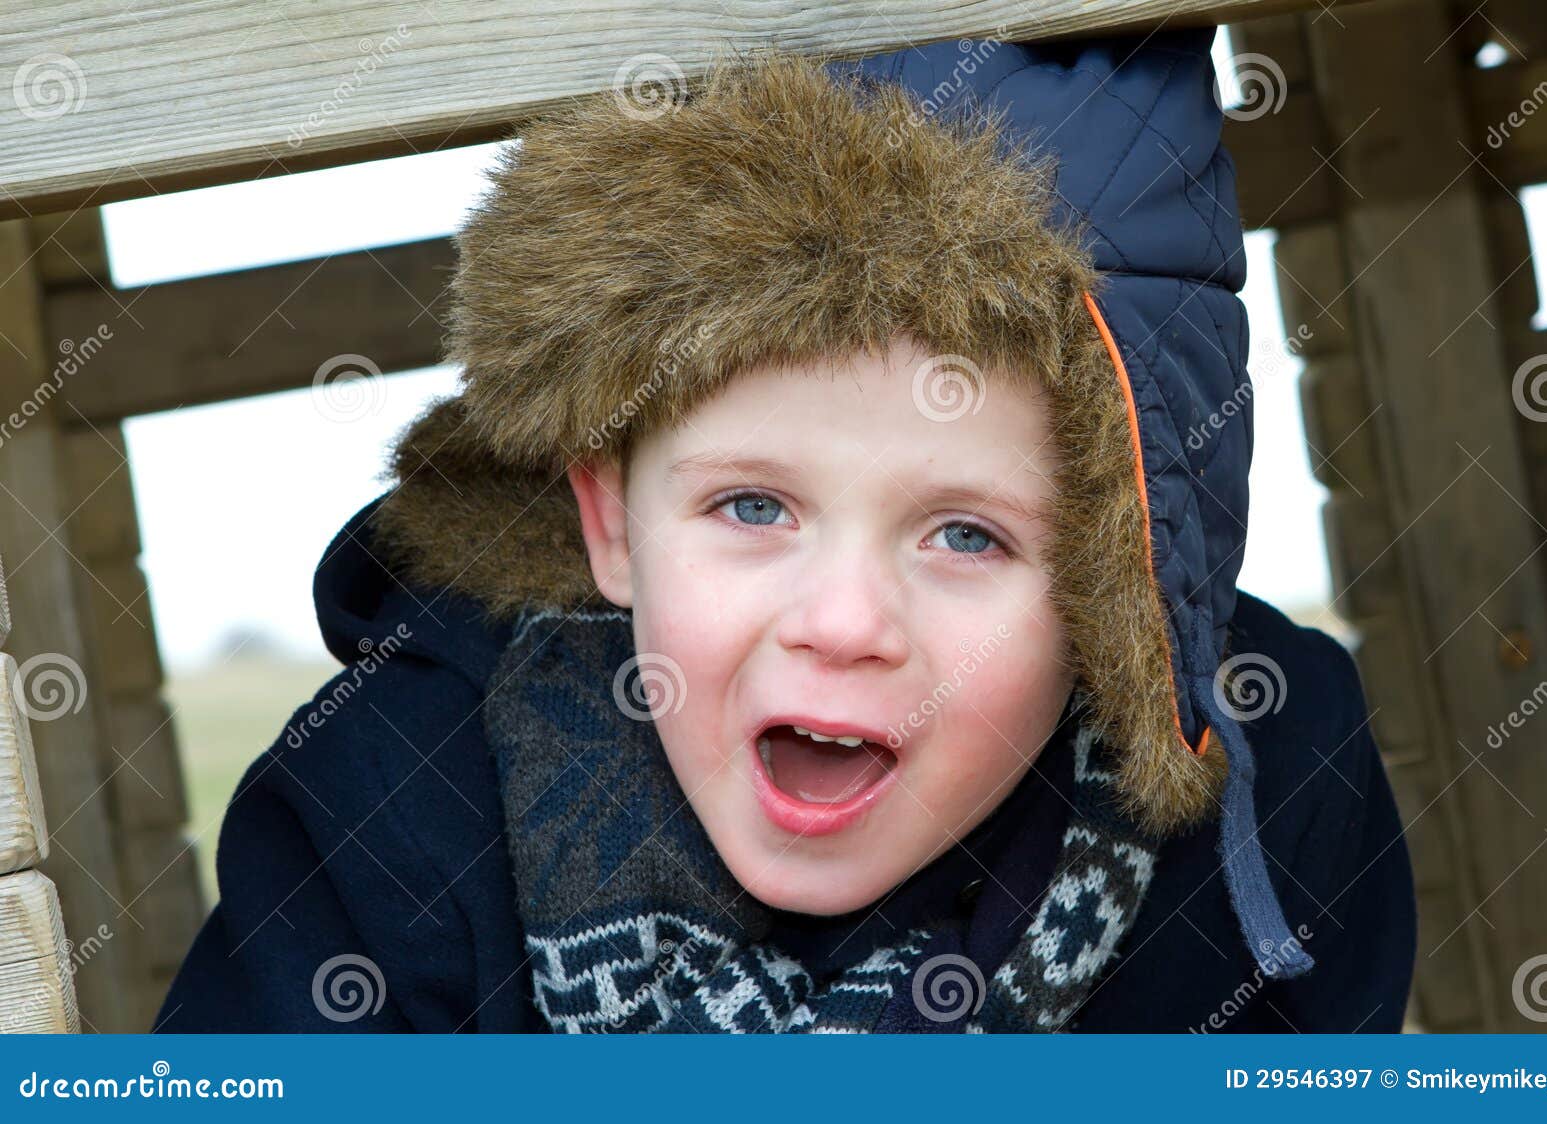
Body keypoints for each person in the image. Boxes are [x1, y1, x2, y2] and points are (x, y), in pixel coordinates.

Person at [155, 28, 1416, 1033]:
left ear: (1113, 577)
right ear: (613, 522)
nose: (842, 622)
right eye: (751, 507)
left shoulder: (1270, 784)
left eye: (966, 535)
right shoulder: (395, 813)